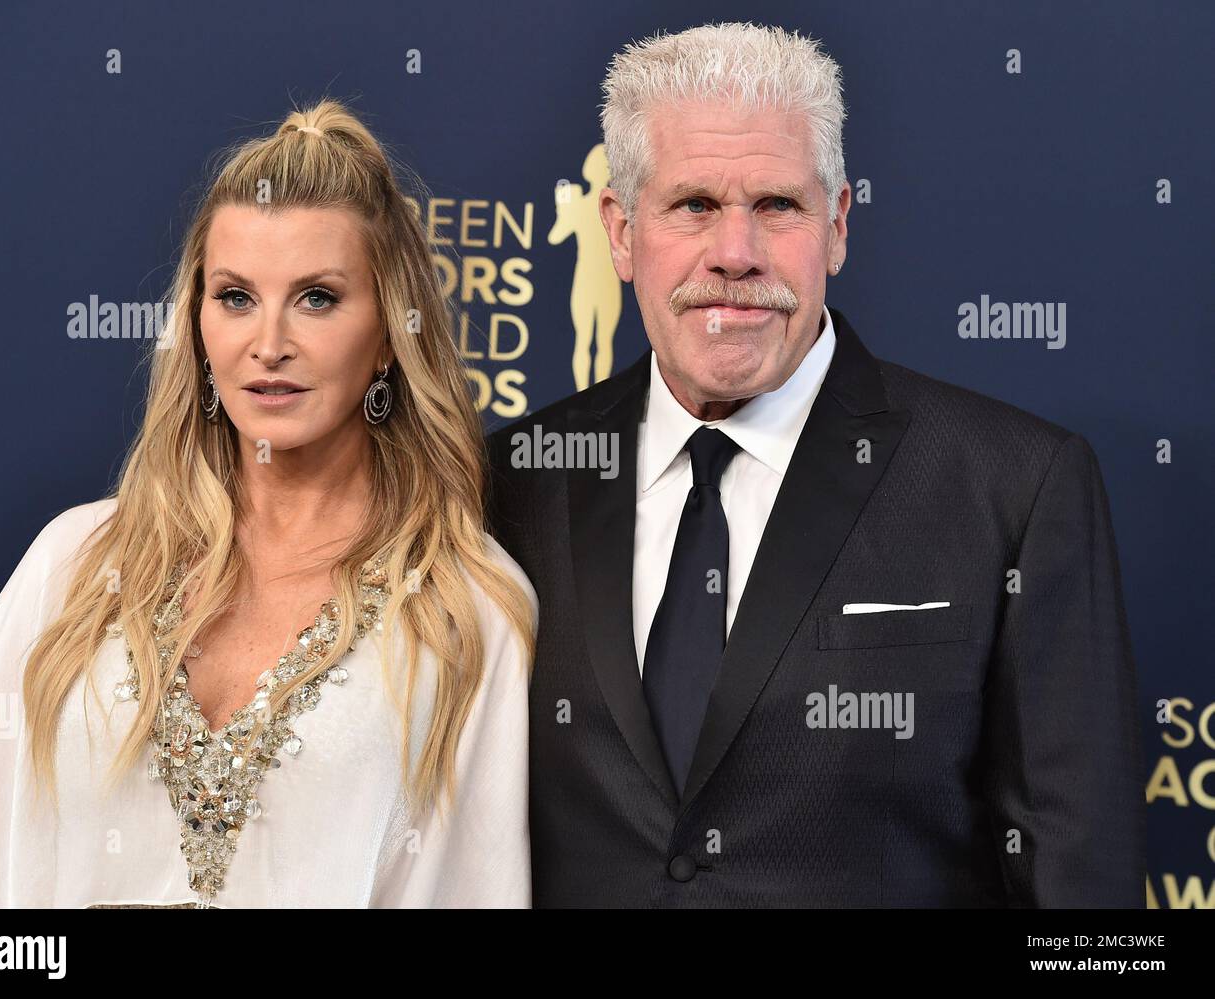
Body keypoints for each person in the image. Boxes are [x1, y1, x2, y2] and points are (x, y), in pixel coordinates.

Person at [486, 22, 1145, 907]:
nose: (735, 252)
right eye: (692, 206)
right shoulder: (512, 482)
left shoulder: (1012, 488)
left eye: (777, 206)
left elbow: (1085, 893)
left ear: (835, 226)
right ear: (621, 230)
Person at [0, 99, 537, 908]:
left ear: (389, 332)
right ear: (198, 320)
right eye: (236, 296)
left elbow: (474, 890)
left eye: (317, 297)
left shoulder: (467, 607)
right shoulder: (76, 563)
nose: (267, 341)